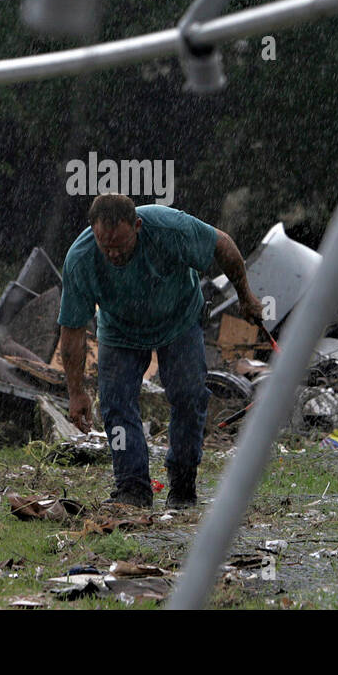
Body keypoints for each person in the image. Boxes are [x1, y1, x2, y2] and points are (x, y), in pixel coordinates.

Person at [57, 193, 262, 509]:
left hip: (178, 320)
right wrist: (76, 392)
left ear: (137, 226)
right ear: (93, 232)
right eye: (104, 245)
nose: (112, 253)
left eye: (120, 245)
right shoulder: (80, 259)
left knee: (189, 396)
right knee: (116, 405)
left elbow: (222, 245)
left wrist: (245, 296)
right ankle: (132, 489)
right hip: (120, 331)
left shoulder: (170, 227)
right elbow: (71, 332)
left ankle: (182, 486)